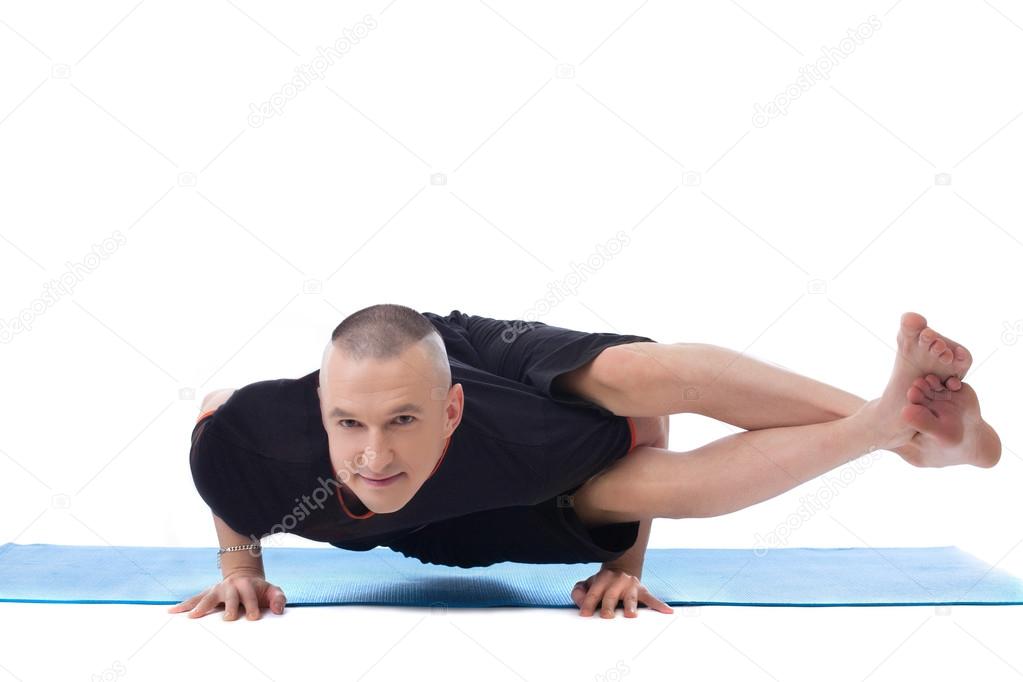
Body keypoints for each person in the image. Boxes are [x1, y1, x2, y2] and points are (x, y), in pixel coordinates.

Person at [169, 304, 1001, 621]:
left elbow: (647, 417)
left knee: (634, 386)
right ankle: (903, 427)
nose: (373, 456)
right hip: (459, 523)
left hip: (476, 363)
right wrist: (239, 560)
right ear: (318, 415)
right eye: (348, 425)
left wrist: (622, 562)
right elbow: (216, 428)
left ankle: (896, 426)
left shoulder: (519, 433)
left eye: (405, 422)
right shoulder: (266, 445)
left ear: (449, 412)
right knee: (611, 483)